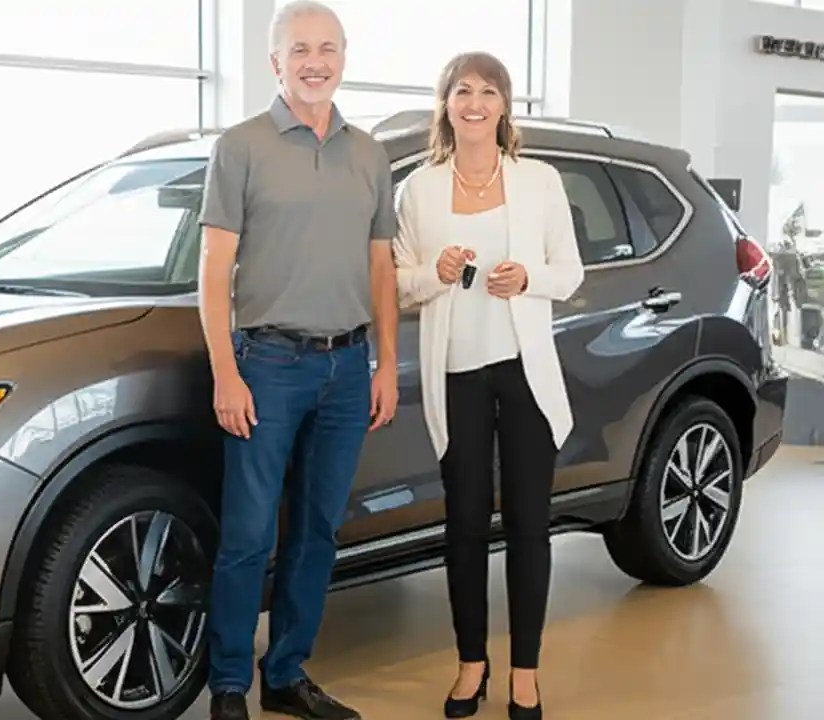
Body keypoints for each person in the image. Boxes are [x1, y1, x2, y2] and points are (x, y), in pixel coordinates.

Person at [196, 2, 399, 718]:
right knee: (248, 536)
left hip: (348, 369)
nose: (316, 61)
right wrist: (226, 371)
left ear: (344, 57)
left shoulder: (370, 153)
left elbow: (382, 270)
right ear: (274, 62)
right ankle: (228, 685)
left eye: (329, 48)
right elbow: (213, 270)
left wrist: (384, 364)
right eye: (300, 49)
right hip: (267, 367)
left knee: (316, 531)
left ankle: (285, 674)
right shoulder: (242, 145)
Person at [391, 51, 584, 720]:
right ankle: (472, 663)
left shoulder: (540, 181)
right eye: (461, 90)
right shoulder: (416, 190)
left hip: (525, 373)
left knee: (530, 526)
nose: (474, 102)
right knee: (465, 525)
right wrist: (434, 273)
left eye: (488, 91)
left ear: (505, 106)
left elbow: (571, 272)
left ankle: (524, 672)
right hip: (458, 376)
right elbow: (399, 282)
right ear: (445, 104)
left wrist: (529, 278)